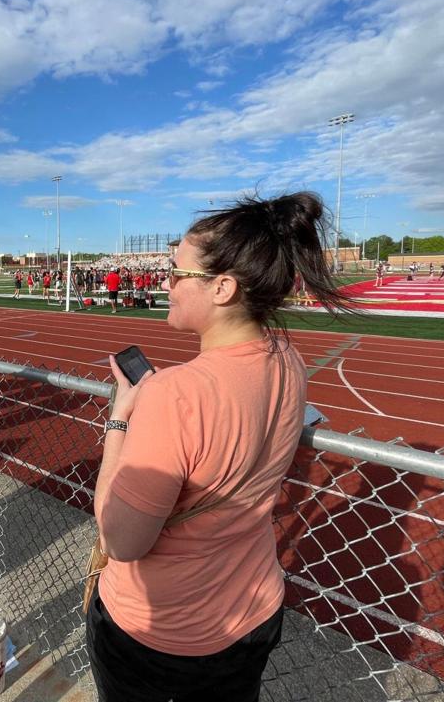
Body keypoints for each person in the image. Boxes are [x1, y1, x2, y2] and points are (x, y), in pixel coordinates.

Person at [85, 192, 348, 702]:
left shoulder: (172, 394)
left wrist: (120, 420)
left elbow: (121, 542)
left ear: (223, 288)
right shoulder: (287, 358)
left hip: (164, 635)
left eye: (178, 273)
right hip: (252, 611)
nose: (166, 283)